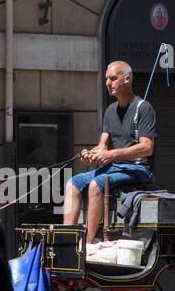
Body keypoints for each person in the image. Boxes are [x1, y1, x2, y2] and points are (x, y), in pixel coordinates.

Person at [63, 61, 156, 245]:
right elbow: (102, 146)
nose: (107, 83)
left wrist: (110, 155)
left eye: (112, 78)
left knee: (95, 185)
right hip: (114, 168)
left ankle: (86, 246)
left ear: (127, 79)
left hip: (137, 170)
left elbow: (147, 147)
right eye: (106, 79)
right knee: (72, 183)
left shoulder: (143, 108)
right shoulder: (110, 111)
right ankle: (66, 241)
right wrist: (91, 154)